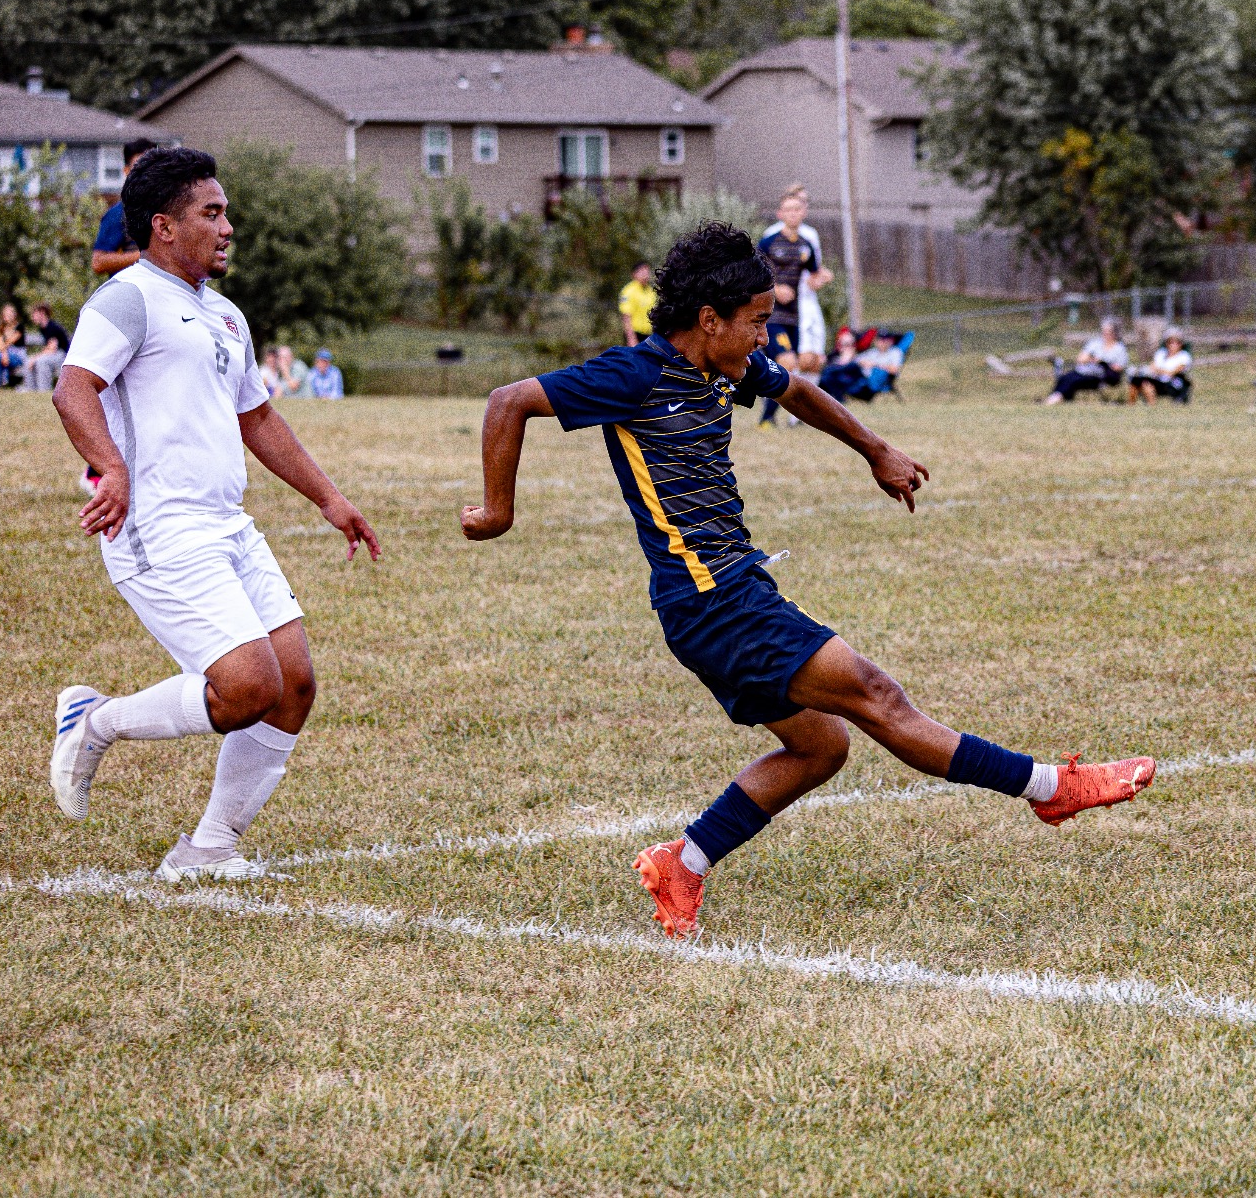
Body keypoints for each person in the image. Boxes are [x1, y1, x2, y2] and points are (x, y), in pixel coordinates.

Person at [460, 222, 1153, 938]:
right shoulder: (633, 375)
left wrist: (874, 447)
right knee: (878, 696)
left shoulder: (723, 367)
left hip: (731, 593)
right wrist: (497, 511)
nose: (764, 338)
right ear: (709, 320)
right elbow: (509, 400)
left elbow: (796, 392)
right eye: (757, 322)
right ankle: (1051, 787)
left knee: (822, 747)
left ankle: (684, 863)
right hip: (713, 602)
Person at [49, 146, 381, 882]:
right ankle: (94, 719)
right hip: (157, 526)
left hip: (226, 521)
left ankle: (207, 849)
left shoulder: (224, 314)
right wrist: (113, 469)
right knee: (247, 688)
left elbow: (257, 419)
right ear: (164, 227)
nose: (228, 226)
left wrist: (330, 498)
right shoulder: (127, 298)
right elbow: (74, 389)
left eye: (226, 211)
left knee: (293, 685)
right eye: (212, 212)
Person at [755, 186, 832, 427]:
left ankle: (779, 417)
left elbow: (813, 275)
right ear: (780, 214)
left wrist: (822, 278)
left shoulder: (806, 245)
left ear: (803, 213)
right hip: (772, 315)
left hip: (795, 316)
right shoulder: (768, 242)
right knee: (787, 362)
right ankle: (773, 417)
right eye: (788, 210)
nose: (793, 214)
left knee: (792, 367)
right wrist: (775, 288)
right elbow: (754, 274)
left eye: (797, 209)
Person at [90, 137, 160, 278]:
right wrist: (146, 257)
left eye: (152, 166)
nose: (147, 173)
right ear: (127, 171)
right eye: (139, 167)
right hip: (132, 293)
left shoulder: (170, 209)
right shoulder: (119, 213)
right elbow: (98, 262)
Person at [1042, 318, 1129, 405]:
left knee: (1074, 380)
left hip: (1101, 376)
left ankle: (1055, 399)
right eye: (1104, 331)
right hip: (1085, 370)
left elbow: (1119, 367)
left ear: (1115, 333)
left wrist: (1103, 363)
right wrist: (1092, 359)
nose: (1106, 334)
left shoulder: (1119, 348)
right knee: (1064, 378)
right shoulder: (1095, 343)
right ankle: (1059, 399)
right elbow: (1080, 358)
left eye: (1109, 331)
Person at [819, 327, 905, 403]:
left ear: (891, 340)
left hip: (869, 383)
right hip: (858, 377)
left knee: (848, 367)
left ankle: (827, 373)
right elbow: (856, 360)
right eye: (880, 339)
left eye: (886, 339)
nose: (883, 342)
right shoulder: (873, 352)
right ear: (876, 341)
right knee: (830, 377)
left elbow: (894, 369)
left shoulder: (895, 352)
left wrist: (873, 364)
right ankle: (829, 384)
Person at [1131, 328, 1192, 403]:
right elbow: (1152, 366)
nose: (1172, 345)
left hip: (1173, 383)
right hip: (1158, 380)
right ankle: (1135, 406)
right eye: (1170, 342)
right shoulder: (1161, 353)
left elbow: (1173, 372)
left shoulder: (1184, 356)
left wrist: (1158, 370)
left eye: (1176, 342)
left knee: (1146, 382)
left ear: (1181, 344)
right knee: (1137, 380)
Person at [22, 303, 69, 393]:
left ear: (42, 313)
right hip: (55, 354)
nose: (32, 317)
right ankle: (30, 390)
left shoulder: (52, 327)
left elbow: (52, 348)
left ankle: (43, 390)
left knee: (41, 361)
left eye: (34, 314)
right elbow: (48, 347)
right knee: (28, 360)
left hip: (63, 356)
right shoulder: (43, 328)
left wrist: (36, 358)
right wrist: (34, 358)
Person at [619, 261, 656, 347]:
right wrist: (631, 339)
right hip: (636, 334)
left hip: (650, 335)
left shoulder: (651, 291)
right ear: (634, 274)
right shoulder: (628, 291)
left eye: (647, 271)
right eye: (642, 271)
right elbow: (626, 316)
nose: (645, 274)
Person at [0, 305, 25, 388]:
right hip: (3, 355)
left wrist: (2, 352)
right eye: (6, 315)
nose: (8, 317)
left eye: (10, 315)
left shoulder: (19, 327)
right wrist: (4, 354)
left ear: (14, 315)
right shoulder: (1, 328)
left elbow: (9, 342)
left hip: (18, 356)